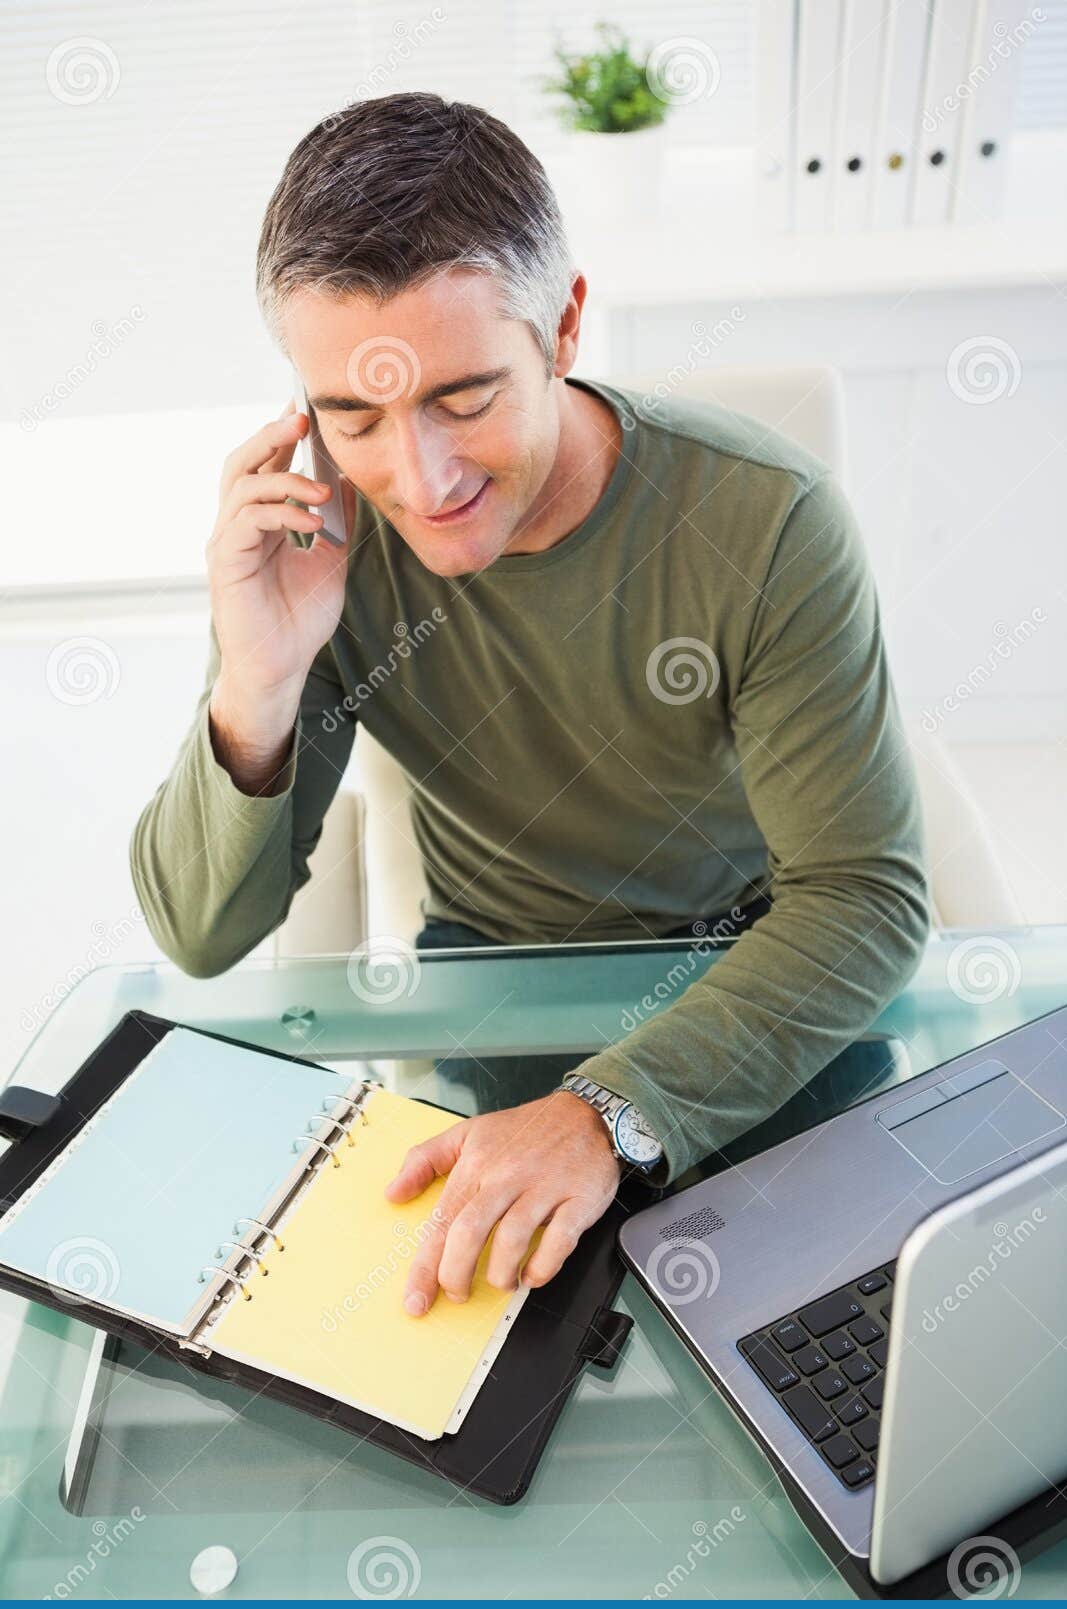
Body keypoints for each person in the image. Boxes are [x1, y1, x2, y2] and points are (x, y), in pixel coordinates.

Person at [130, 93, 929, 1321]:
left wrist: (611, 1113)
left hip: (751, 966)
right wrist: (260, 674)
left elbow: (864, 899)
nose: (419, 478)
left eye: (461, 397)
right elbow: (199, 938)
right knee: (481, 1367)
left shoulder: (764, 520)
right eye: (352, 416)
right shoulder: (323, 546)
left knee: (856, 1332)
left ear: (560, 328)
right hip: (497, 978)